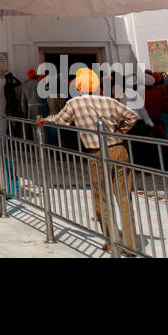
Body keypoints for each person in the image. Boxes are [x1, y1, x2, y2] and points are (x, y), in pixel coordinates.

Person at [39, 68, 139, 255]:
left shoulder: (75, 103)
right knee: (125, 197)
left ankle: (113, 240)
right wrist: (120, 132)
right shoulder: (109, 101)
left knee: (101, 198)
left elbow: (60, 121)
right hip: (119, 149)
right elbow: (132, 116)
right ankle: (131, 243)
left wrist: (45, 120)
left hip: (98, 153)